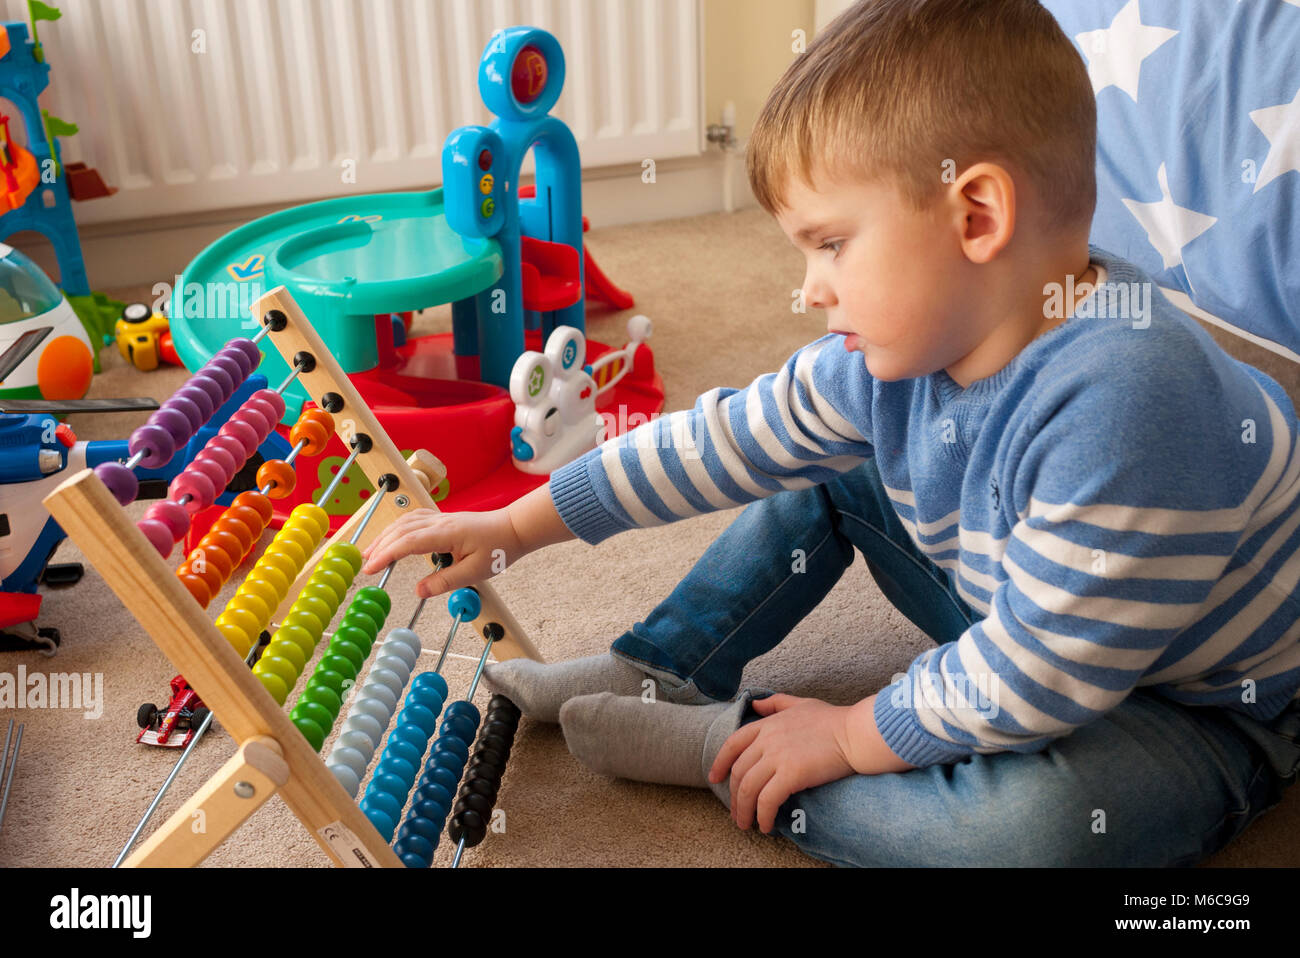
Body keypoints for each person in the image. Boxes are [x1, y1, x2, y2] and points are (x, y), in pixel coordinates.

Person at [361, 0, 1300, 866]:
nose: (808, 289)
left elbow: (1041, 672)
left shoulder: (1131, 402)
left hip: (1205, 699)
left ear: (978, 216)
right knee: (825, 466)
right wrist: (517, 527)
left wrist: (851, 736)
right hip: (1027, 604)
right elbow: (723, 442)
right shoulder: (896, 350)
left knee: (1032, 834)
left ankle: (733, 751)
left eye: (831, 244)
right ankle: (661, 668)